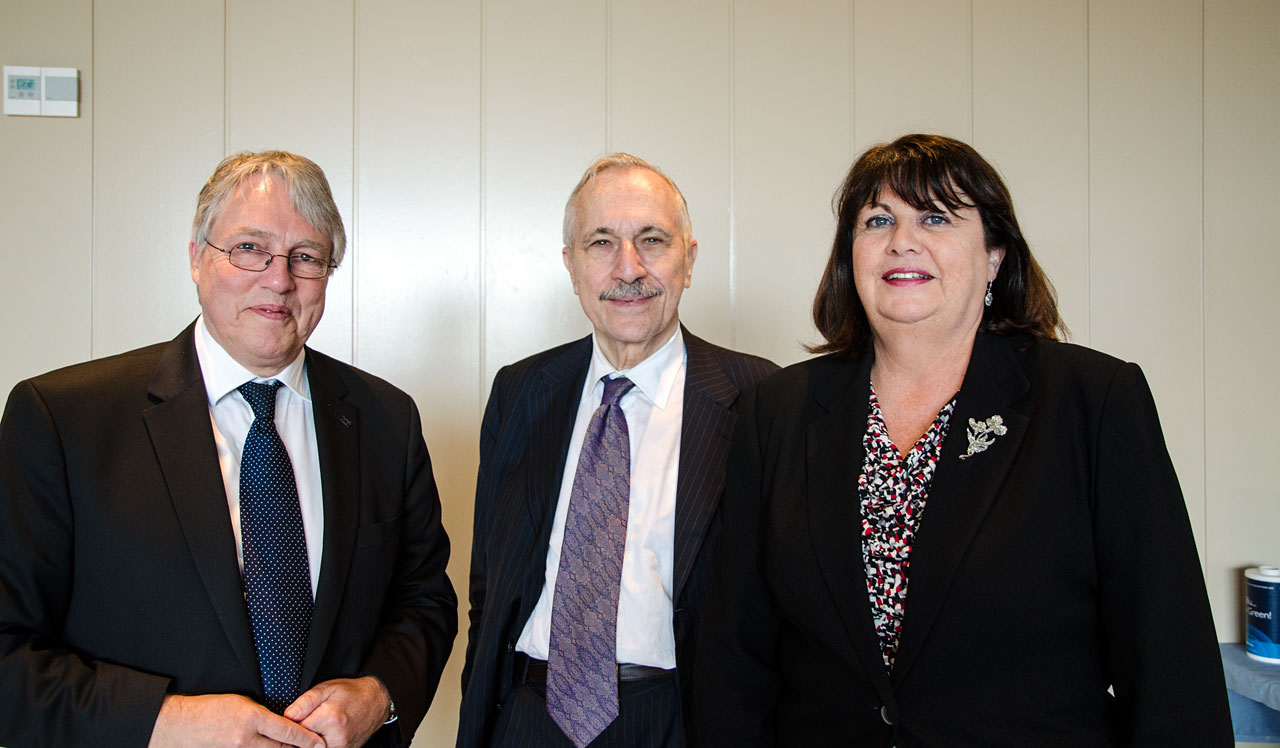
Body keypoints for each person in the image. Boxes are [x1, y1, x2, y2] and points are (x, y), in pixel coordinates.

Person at [691, 134, 1233, 747]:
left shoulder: (1091, 399)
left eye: (935, 217)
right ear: (852, 255)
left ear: (995, 254)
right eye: (878, 220)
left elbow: (1169, 658)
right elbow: (735, 656)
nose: (903, 240)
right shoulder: (778, 410)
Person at [0, 150, 457, 748]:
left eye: (306, 257)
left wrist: (378, 694)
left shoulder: (385, 419)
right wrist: (165, 723)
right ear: (196, 257)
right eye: (249, 248)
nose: (279, 279)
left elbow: (423, 603)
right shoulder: (63, 420)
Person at [458, 153, 778, 748]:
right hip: (530, 716)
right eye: (601, 242)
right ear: (571, 265)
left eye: (651, 240)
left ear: (689, 259)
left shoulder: (760, 397)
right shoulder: (521, 392)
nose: (627, 268)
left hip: (681, 720)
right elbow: (489, 587)